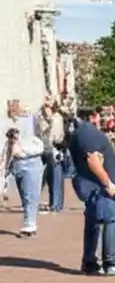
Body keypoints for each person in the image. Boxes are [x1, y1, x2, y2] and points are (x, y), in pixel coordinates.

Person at [68, 107, 115, 276]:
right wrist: (107, 183)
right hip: (99, 188)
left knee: (94, 223)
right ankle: (110, 260)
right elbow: (92, 159)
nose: (103, 118)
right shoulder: (87, 133)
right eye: (100, 115)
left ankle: (90, 261)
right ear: (92, 116)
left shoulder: (82, 133)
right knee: (110, 219)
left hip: (93, 187)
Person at [3, 99, 47, 237]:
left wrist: (22, 151)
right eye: (10, 107)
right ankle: (29, 220)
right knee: (23, 195)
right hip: (15, 164)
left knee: (30, 195)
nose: (12, 110)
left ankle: (30, 225)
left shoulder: (32, 123)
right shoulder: (7, 124)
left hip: (31, 162)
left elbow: (40, 144)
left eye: (14, 107)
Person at [36, 97, 68, 214]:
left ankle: (56, 204)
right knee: (48, 178)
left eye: (48, 103)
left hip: (55, 150)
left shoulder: (56, 118)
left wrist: (49, 121)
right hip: (44, 149)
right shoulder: (42, 117)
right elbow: (40, 132)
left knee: (56, 177)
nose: (46, 105)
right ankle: (52, 202)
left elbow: (56, 136)